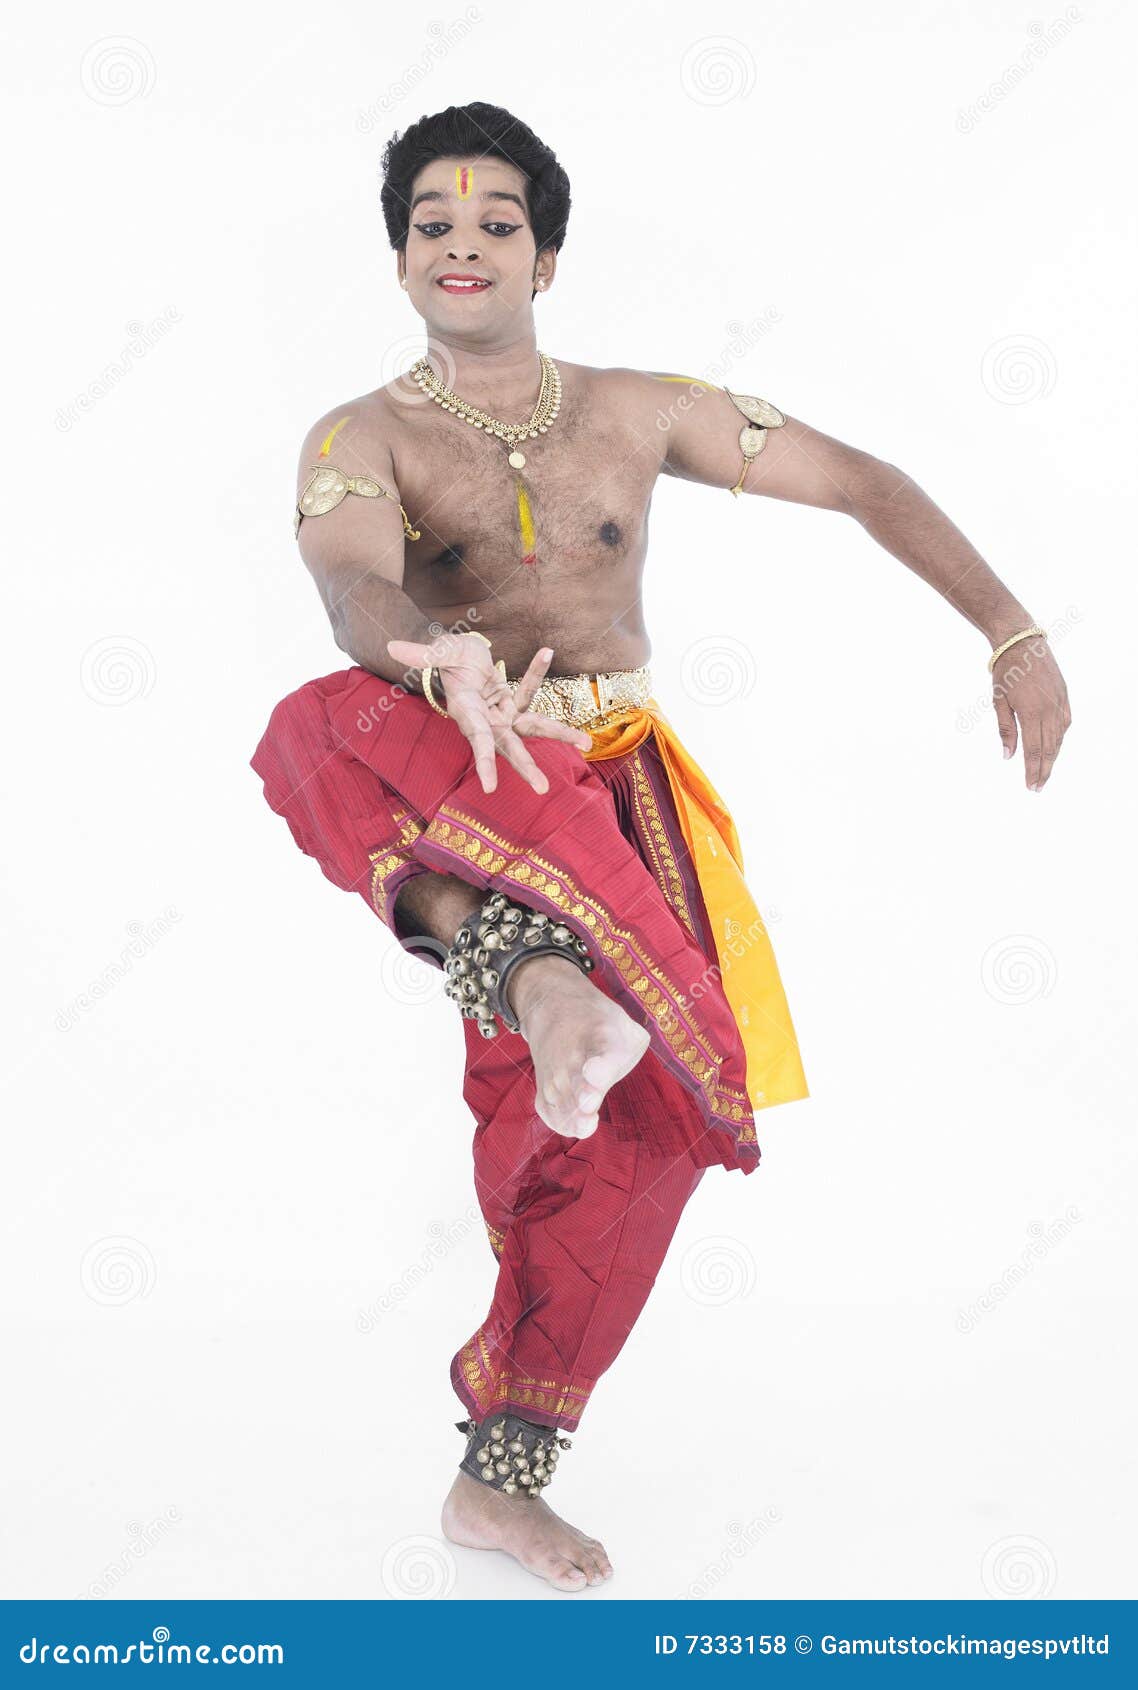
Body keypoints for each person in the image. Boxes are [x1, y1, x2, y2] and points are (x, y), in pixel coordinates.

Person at [249, 101, 1071, 1593]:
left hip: (610, 786)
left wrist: (1011, 629)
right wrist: (432, 656)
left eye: (495, 221)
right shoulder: (358, 433)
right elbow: (348, 587)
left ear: (545, 256)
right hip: (456, 767)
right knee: (315, 720)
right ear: (397, 260)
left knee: (628, 1145)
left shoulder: (638, 408)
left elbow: (864, 482)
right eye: (430, 225)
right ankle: (530, 970)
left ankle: (498, 1481)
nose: (462, 244)